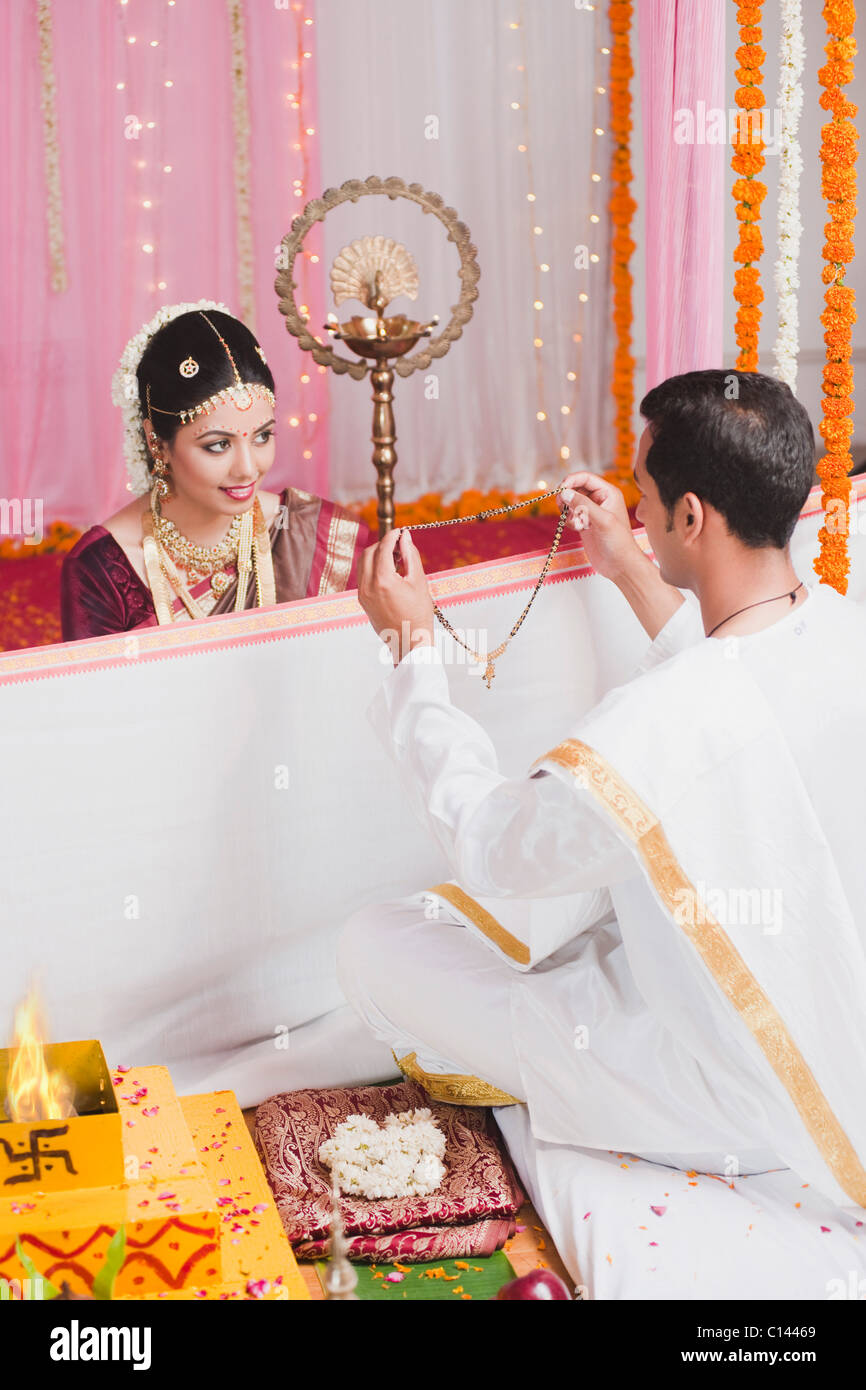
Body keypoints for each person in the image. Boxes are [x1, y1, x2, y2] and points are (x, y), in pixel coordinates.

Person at [340, 368, 866, 1222]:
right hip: (836, 1034)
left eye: (647, 494)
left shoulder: (658, 729)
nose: (638, 508)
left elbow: (493, 847)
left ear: (690, 516)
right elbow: (729, 686)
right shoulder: (840, 625)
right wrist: (629, 566)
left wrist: (410, 652)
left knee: (377, 943)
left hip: (721, 1088)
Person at [61, 302, 370, 639]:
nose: (248, 469)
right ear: (157, 442)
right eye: (218, 445)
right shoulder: (104, 569)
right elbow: (100, 691)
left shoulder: (313, 534)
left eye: (262, 436)